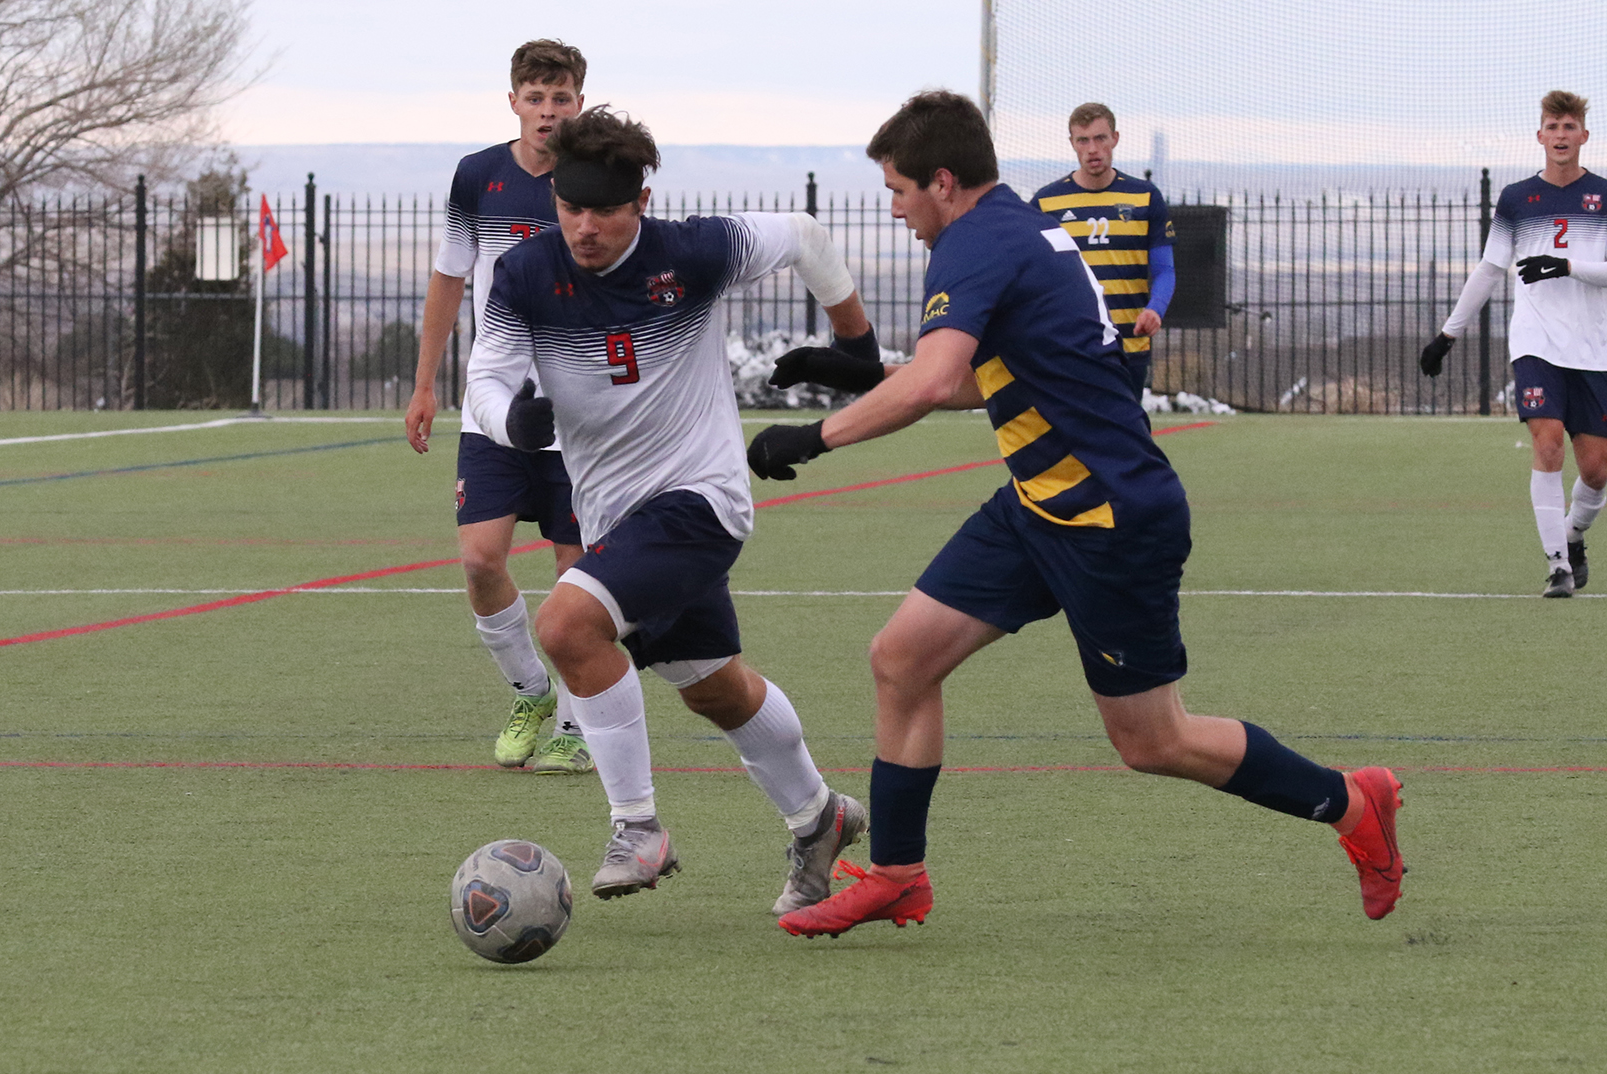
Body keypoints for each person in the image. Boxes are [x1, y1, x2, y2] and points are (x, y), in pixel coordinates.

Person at [746, 90, 1404, 938]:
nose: (898, 209)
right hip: (1035, 505)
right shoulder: (1011, 225)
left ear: (943, 182)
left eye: (900, 191)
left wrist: (814, 436)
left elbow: (943, 380)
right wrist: (872, 380)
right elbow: (984, 371)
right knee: (901, 659)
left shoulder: (975, 243)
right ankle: (898, 875)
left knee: (1153, 742)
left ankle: (1354, 803)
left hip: (1107, 516)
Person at [465, 107, 874, 911]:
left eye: (605, 211)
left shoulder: (692, 251)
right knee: (714, 687)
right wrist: (506, 418)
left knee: (565, 626)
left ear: (640, 202)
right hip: (615, 519)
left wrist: (855, 345)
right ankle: (820, 817)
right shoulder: (524, 275)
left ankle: (638, 828)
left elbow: (801, 232)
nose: (585, 227)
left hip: (701, 501)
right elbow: (485, 375)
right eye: (570, 208)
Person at [403, 40, 592, 773]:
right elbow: (450, 278)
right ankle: (531, 692)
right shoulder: (476, 179)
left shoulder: (595, 177)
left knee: (578, 575)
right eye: (536, 97)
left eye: (562, 98)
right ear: (513, 100)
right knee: (481, 560)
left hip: (580, 416)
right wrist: (425, 383)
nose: (549, 111)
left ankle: (578, 728)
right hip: (493, 409)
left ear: (580, 101)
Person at [1419, 90, 1607, 599]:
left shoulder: (1604, 196)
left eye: (1570, 127)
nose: (1562, 135)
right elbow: (1489, 269)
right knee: (1546, 444)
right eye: (1553, 126)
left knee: (1596, 469)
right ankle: (1557, 568)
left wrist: (1568, 266)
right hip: (1536, 344)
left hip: (1594, 350)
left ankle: (1572, 536)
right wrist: (1447, 334)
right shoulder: (1517, 198)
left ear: (1584, 136)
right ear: (1540, 136)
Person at [1028, 102, 1175, 392]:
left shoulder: (1145, 197)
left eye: (1100, 138)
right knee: (1073, 435)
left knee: (1125, 436)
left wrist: (1155, 309)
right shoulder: (1046, 203)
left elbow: (1165, 269)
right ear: (1072, 143)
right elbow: (1033, 276)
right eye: (1083, 140)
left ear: (1115, 139)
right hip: (1071, 347)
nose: (1092, 148)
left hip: (1129, 344)